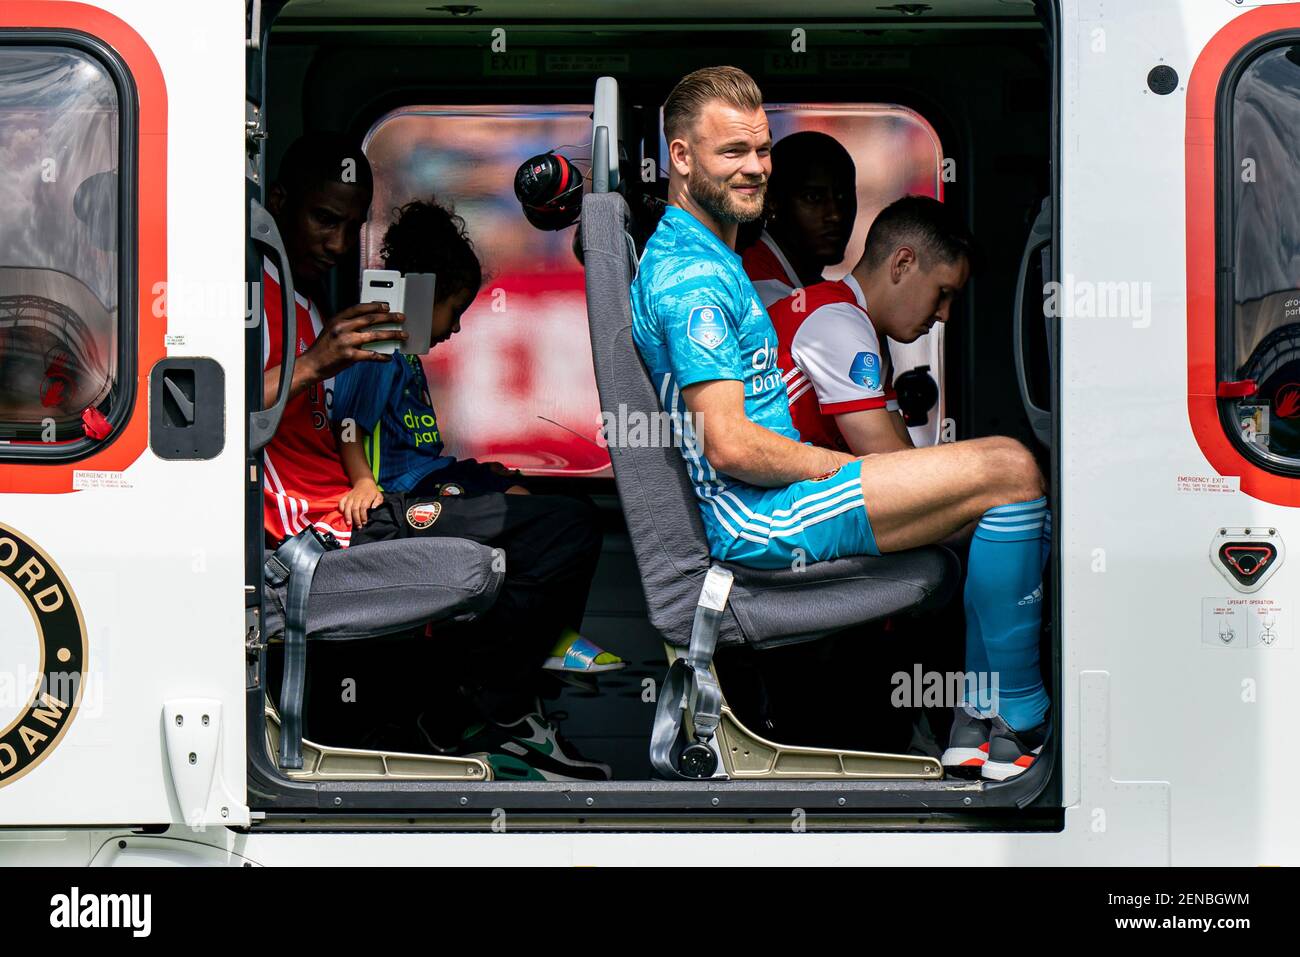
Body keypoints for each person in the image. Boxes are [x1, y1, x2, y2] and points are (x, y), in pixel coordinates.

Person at [630, 66, 1050, 782]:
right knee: (1010, 467)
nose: (755, 167)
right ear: (681, 158)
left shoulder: (711, 258)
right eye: (732, 152)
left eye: (761, 150)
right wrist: (848, 470)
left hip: (771, 502)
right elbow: (727, 441)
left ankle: (981, 722)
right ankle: (1013, 713)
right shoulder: (693, 279)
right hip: (755, 519)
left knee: (1001, 475)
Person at [260, 133, 609, 781]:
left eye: (353, 225)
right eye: (322, 219)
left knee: (544, 506)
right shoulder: (260, 299)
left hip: (362, 505)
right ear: (277, 200)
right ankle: (490, 711)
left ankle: (499, 694)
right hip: (334, 526)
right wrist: (320, 377)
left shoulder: (310, 305)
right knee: (562, 530)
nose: (339, 244)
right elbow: (233, 409)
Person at [329, 196, 625, 677]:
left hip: (434, 472)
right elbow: (350, 426)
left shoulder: (405, 351)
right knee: (563, 524)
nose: (458, 325)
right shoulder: (381, 344)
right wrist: (363, 483)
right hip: (404, 492)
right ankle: (535, 639)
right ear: (427, 295)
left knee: (522, 497)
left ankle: (543, 632)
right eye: (455, 309)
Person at [740, 131, 856, 307]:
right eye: (813, 198)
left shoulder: (805, 285)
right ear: (771, 202)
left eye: (843, 197)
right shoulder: (761, 291)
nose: (835, 215)